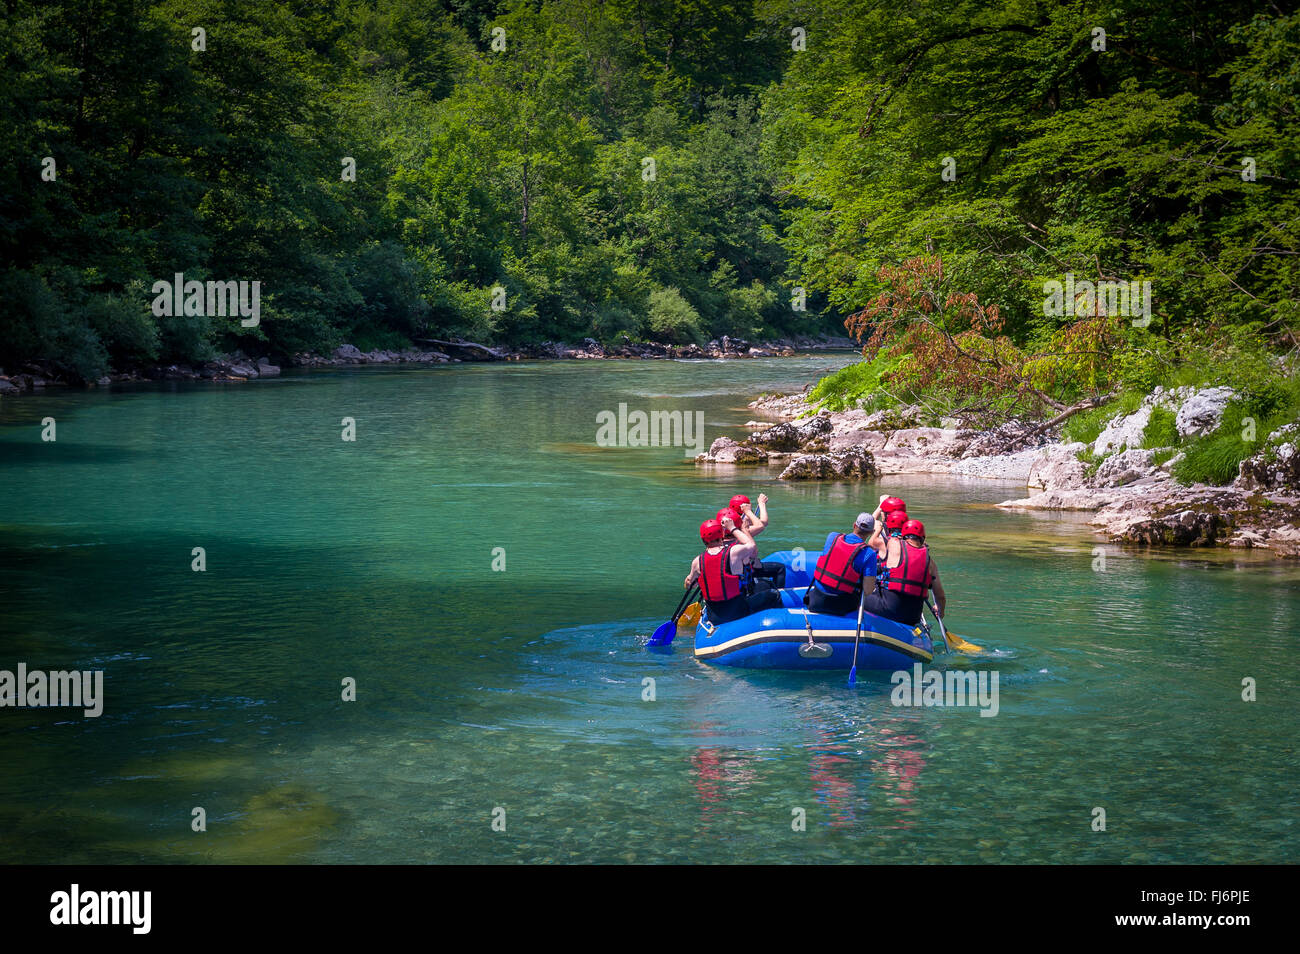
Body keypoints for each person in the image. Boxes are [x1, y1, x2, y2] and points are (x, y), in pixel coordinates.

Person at [686, 514, 784, 625]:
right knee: (774, 594)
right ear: (722, 534)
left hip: (714, 617)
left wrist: (689, 581)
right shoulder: (734, 552)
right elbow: (751, 545)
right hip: (737, 612)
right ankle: (778, 624)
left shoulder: (697, 561)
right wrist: (733, 528)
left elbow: (690, 585)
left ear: (703, 539)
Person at [863, 518, 946, 626]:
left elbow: (872, 544)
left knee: (857, 593)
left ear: (903, 536)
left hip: (888, 608)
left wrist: (878, 529)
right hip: (913, 617)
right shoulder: (930, 563)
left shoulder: (894, 544)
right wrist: (940, 611)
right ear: (922, 539)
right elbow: (940, 596)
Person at [805, 512, 879, 616]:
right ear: (871, 532)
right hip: (840, 605)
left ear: (854, 525)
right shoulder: (869, 554)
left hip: (817, 598)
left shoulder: (832, 537)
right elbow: (868, 590)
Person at [727, 493, 786, 591]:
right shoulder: (742, 529)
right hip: (745, 569)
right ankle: (779, 595)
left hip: (733, 569)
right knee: (780, 568)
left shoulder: (727, 526)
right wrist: (761, 504)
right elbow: (762, 524)